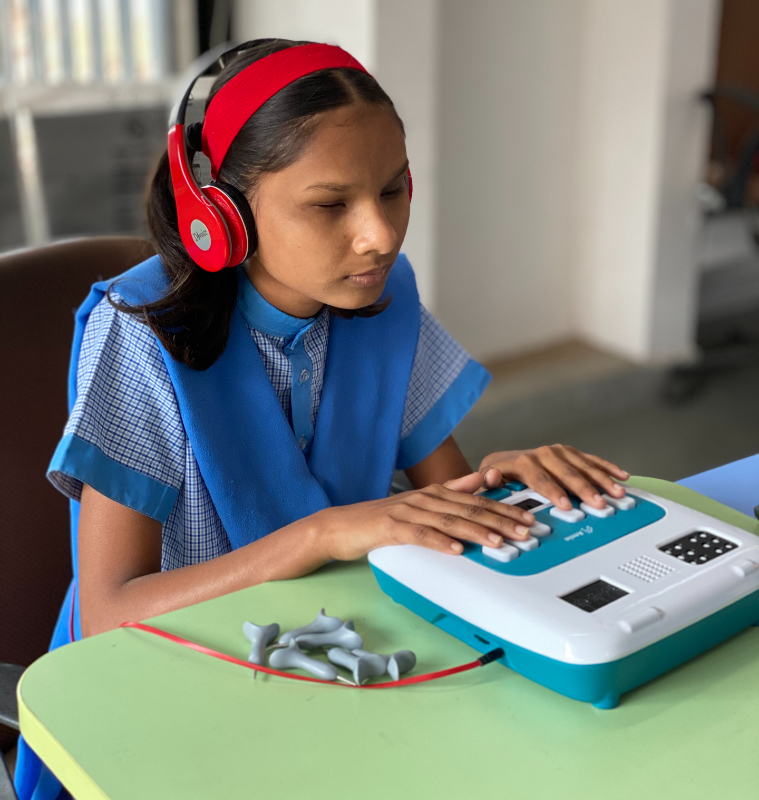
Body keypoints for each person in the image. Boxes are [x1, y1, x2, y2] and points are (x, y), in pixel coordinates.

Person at [15, 39, 630, 799]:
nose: (378, 235)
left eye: (393, 190)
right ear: (221, 212)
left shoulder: (378, 296)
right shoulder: (140, 334)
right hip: (167, 690)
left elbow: (444, 504)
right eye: (330, 204)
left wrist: (510, 482)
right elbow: (109, 617)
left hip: (328, 664)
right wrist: (322, 533)